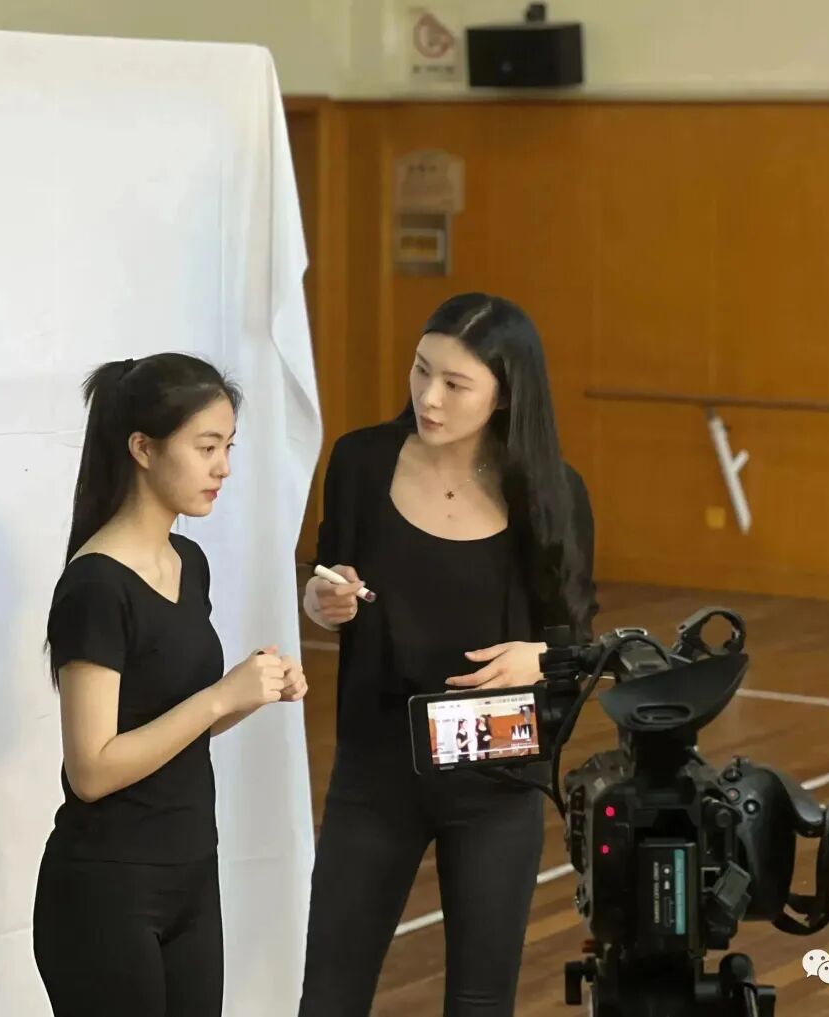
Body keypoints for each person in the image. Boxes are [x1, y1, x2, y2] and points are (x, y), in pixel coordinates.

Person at [297, 293, 597, 1017]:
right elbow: (329, 584)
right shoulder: (361, 462)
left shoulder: (554, 492)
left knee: (479, 999)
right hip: (375, 770)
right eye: (421, 370)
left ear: (504, 396)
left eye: (455, 384)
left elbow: (581, 643)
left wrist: (539, 658)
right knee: (330, 993)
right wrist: (322, 601)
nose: (428, 398)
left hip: (496, 776)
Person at [33, 353, 308, 1017]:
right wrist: (219, 694)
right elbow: (93, 769)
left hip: (191, 872)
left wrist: (249, 691)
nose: (224, 468)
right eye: (207, 447)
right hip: (107, 891)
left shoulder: (189, 562)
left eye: (228, 447)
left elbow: (171, 725)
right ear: (143, 449)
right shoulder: (97, 586)